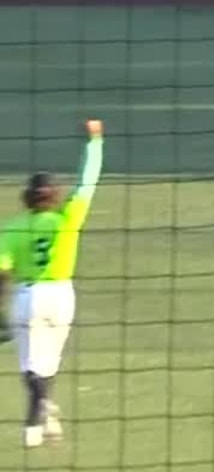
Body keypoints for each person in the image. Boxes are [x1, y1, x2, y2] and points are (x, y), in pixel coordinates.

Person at [0, 119, 104, 449]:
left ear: (27, 198)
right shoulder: (68, 218)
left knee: (32, 366)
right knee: (49, 364)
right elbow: (88, 181)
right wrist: (95, 141)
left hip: (26, 298)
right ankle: (45, 420)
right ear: (54, 196)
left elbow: (1, 273)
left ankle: (35, 420)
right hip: (61, 296)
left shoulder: (13, 228)